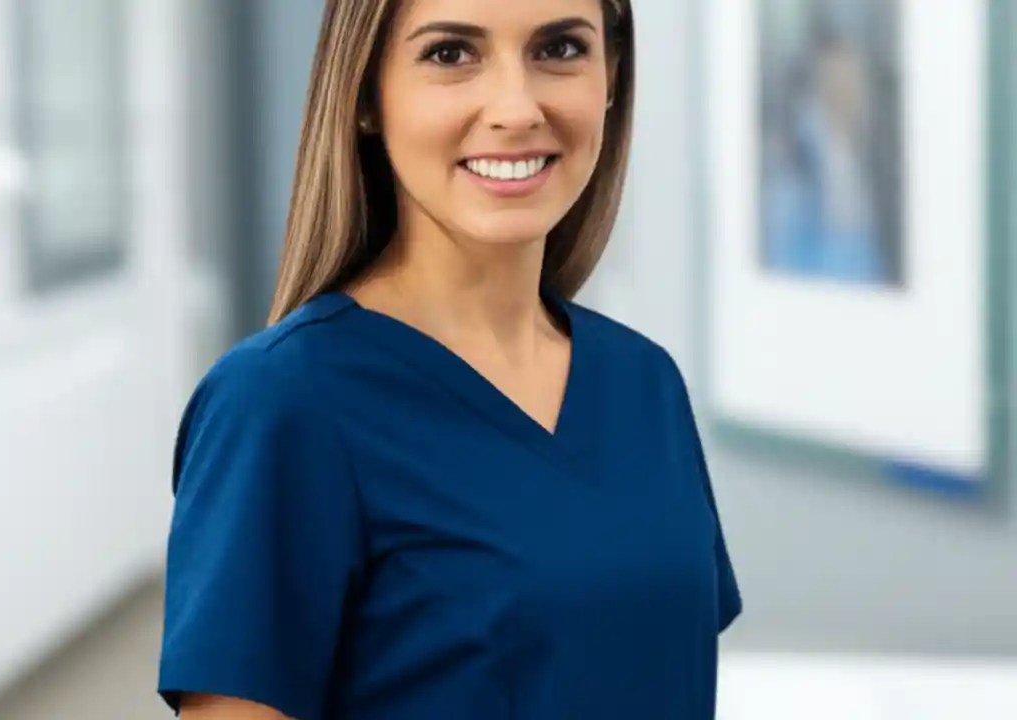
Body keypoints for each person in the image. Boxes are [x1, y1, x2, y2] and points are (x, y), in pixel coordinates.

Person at [158, 0, 742, 718]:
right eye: (450, 55)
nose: (516, 108)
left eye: (559, 49)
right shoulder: (281, 403)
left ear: (612, 75)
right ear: (368, 94)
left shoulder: (644, 382)